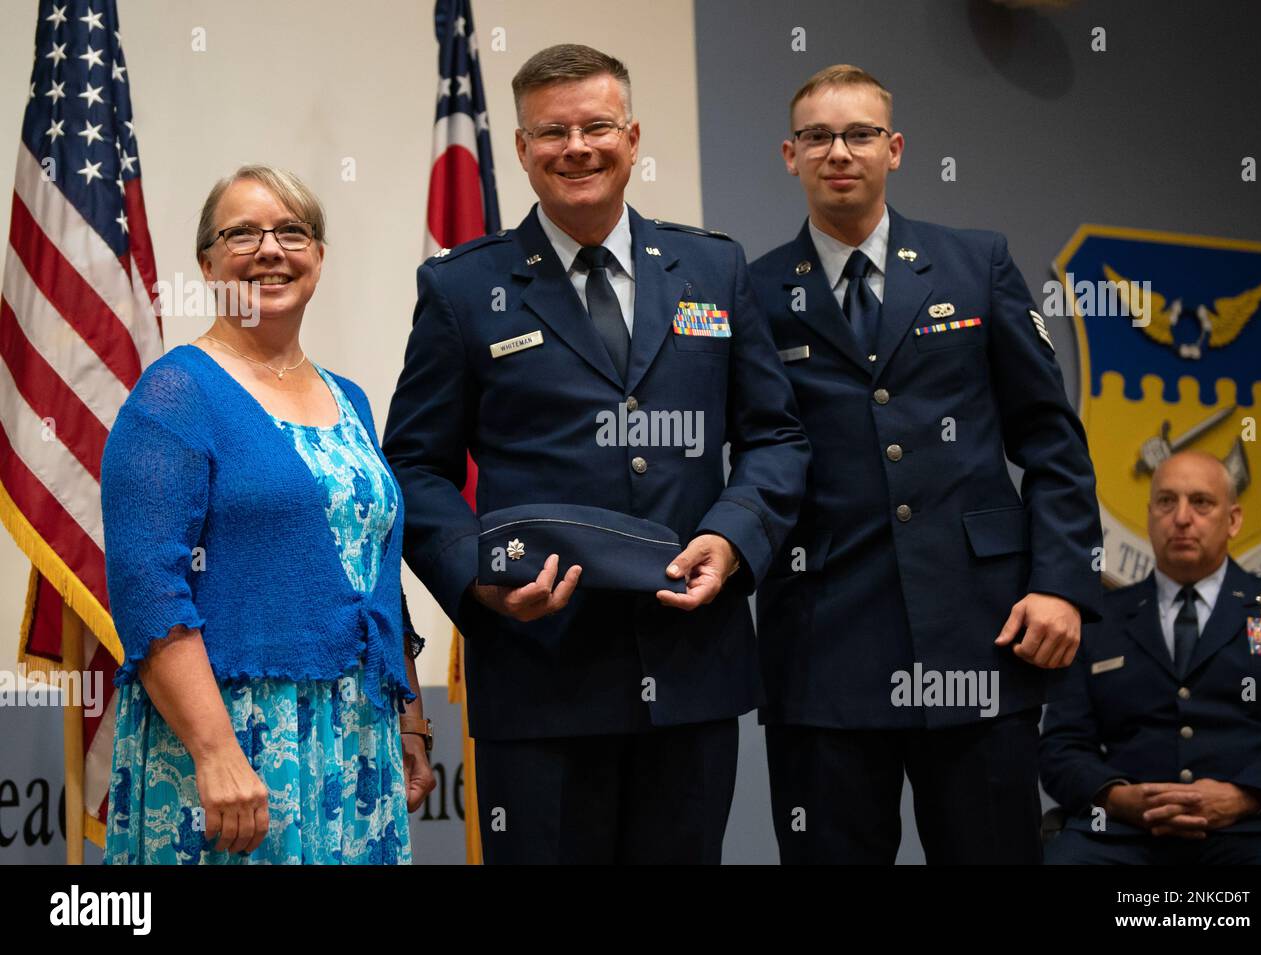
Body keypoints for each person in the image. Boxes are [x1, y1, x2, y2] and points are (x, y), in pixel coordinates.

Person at [383, 44, 809, 864]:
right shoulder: (462, 288)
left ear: (632, 137)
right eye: (552, 132)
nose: (576, 148)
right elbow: (413, 465)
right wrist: (477, 577)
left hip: (689, 667)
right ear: (521, 149)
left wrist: (732, 537)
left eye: (596, 127)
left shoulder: (712, 267)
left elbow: (776, 437)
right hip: (539, 672)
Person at [747, 65, 1103, 864]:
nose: (840, 152)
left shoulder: (976, 263)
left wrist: (1061, 582)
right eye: (817, 136)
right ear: (790, 155)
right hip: (824, 643)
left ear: (896, 148)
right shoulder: (754, 290)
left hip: (981, 632)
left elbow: (1051, 440)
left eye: (860, 133)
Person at [101, 165, 434, 864]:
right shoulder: (175, 394)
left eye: (292, 232)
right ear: (207, 262)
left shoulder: (349, 399)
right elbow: (146, 587)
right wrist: (215, 751)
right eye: (242, 234)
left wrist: (411, 722)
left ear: (319, 255)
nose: (271, 250)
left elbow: (372, 572)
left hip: (358, 743)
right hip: (235, 745)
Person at [1041, 450, 1261, 864]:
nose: (1181, 518)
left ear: (1233, 519)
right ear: (1149, 516)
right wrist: (1118, 798)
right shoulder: (1098, 620)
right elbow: (1062, 747)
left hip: (1257, 828)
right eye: (1166, 501)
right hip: (1124, 834)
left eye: (1201, 502)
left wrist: (1246, 797)